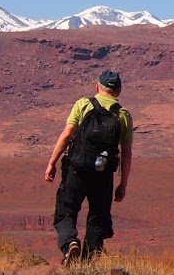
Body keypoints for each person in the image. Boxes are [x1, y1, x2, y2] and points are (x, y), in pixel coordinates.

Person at [44, 69, 133, 265]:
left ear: (97, 86)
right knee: (98, 218)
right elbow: (126, 153)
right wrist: (123, 184)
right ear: (118, 91)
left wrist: (52, 162)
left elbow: (67, 135)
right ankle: (89, 265)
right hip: (103, 173)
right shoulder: (123, 115)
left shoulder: (83, 104)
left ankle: (69, 243)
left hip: (77, 168)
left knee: (66, 211)